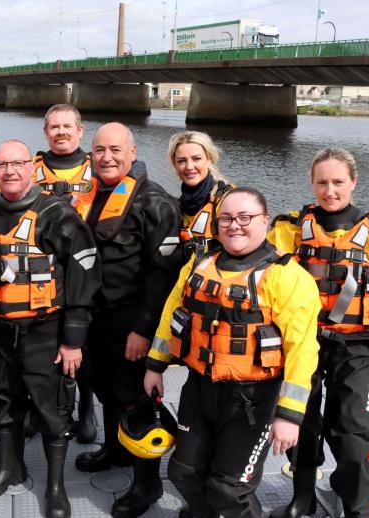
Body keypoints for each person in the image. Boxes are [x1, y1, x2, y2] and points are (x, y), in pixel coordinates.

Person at [144, 187, 321, 518]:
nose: (234, 225)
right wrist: (155, 365)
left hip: (253, 401)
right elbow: (171, 314)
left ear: (265, 221)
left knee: (230, 489)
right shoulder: (200, 264)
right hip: (198, 390)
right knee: (182, 471)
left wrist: (290, 415)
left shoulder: (287, 277)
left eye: (245, 217)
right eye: (226, 218)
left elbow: (303, 349)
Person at [267, 148, 369, 518]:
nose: (329, 190)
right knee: (303, 421)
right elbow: (266, 281)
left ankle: (356, 509)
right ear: (312, 183)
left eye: (338, 182)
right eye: (322, 182)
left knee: (351, 433)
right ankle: (303, 498)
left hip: (360, 349)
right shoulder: (288, 230)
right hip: (304, 346)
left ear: (353, 182)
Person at [0, 139, 101, 518]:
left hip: (45, 330)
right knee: (3, 401)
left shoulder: (59, 215)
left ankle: (56, 488)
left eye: (17, 163)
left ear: (31, 167)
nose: (10, 171)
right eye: (2, 164)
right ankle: (9, 468)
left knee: (52, 409)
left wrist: (73, 341)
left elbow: (83, 279)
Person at [72, 123, 185, 518]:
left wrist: (143, 330)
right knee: (104, 387)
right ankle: (115, 450)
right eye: (99, 150)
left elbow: (163, 276)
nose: (107, 157)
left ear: (132, 152)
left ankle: (147, 484)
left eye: (115, 149)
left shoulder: (156, 203)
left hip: (133, 321)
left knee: (134, 399)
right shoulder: (88, 196)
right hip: (95, 318)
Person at [33, 103, 97, 444]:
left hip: (85, 267)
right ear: (46, 132)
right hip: (42, 272)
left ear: (80, 130)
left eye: (67, 126)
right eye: (54, 126)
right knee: (43, 346)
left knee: (84, 342)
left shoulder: (99, 170)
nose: (61, 132)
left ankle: (86, 407)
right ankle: (39, 405)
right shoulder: (29, 169)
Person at [167, 130, 235, 259]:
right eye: (182, 161)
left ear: (209, 159)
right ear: (175, 165)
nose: (189, 166)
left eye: (196, 159)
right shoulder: (179, 205)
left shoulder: (229, 200)